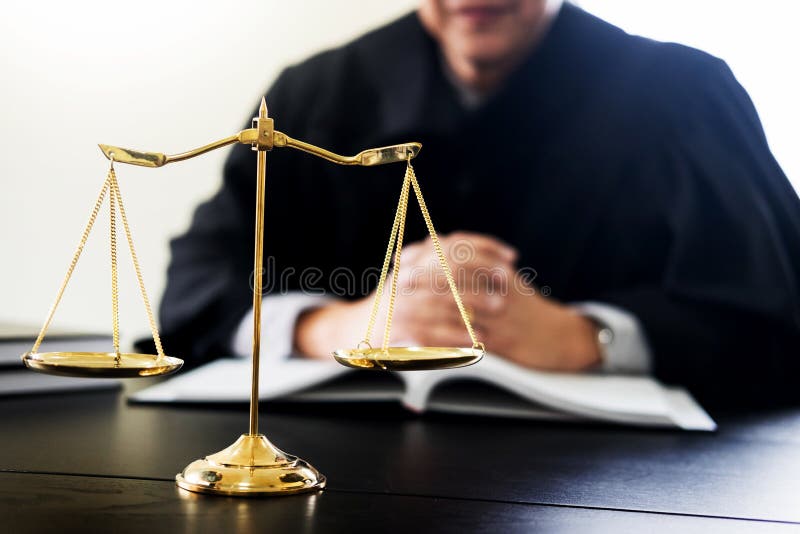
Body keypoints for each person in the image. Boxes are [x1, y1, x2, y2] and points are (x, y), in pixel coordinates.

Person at [157, 0, 800, 405]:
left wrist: (587, 338)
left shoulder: (684, 94)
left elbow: (776, 309)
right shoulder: (315, 92)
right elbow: (196, 283)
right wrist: (336, 328)